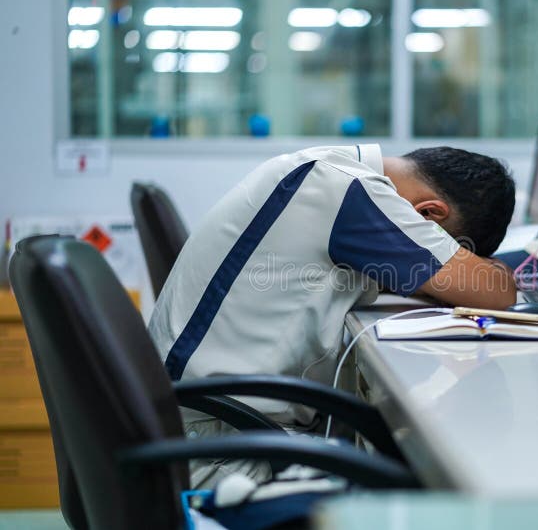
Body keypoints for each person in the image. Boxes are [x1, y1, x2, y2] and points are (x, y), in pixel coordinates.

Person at [148, 143, 516, 485]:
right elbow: (496, 293)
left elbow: (415, 282)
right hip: (227, 454)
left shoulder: (326, 173)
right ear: (428, 215)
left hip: (209, 430)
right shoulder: (349, 191)